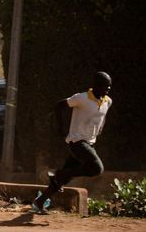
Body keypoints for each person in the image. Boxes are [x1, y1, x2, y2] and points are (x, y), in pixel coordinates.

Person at [32, 72, 113, 215]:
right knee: (97, 168)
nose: (108, 89)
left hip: (90, 142)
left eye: (109, 86)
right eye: (105, 86)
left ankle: (39, 202)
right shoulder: (81, 98)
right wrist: (60, 127)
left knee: (63, 179)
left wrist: (99, 131)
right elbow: (59, 105)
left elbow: (102, 118)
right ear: (96, 85)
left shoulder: (108, 101)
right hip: (76, 141)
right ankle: (58, 173)